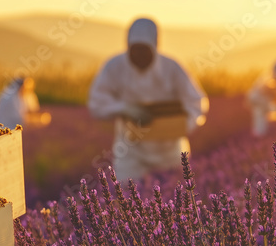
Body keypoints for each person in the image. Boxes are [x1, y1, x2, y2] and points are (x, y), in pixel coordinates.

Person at [88, 17, 208, 181]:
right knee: (128, 197)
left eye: (145, 50)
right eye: (134, 50)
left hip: (169, 151)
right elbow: (96, 102)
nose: (139, 55)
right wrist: (124, 108)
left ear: (155, 47)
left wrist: (181, 125)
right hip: (131, 153)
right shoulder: (114, 66)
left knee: (176, 197)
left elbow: (196, 102)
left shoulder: (172, 68)